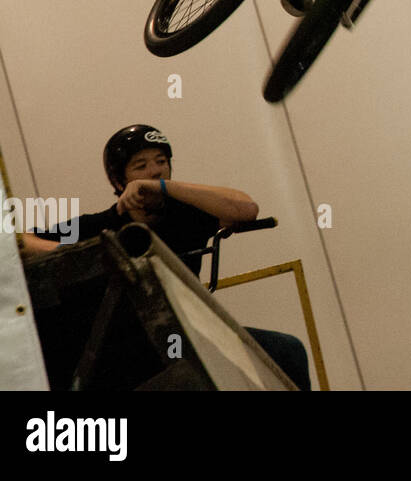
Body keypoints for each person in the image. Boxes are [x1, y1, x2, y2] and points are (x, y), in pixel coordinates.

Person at [22, 125, 311, 390]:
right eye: (141, 165)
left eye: (161, 161)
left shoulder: (185, 216)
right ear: (118, 180)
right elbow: (21, 240)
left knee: (287, 350)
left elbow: (246, 208)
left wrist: (163, 188)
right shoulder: (99, 225)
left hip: (189, 335)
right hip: (128, 348)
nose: (155, 170)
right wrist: (88, 255)